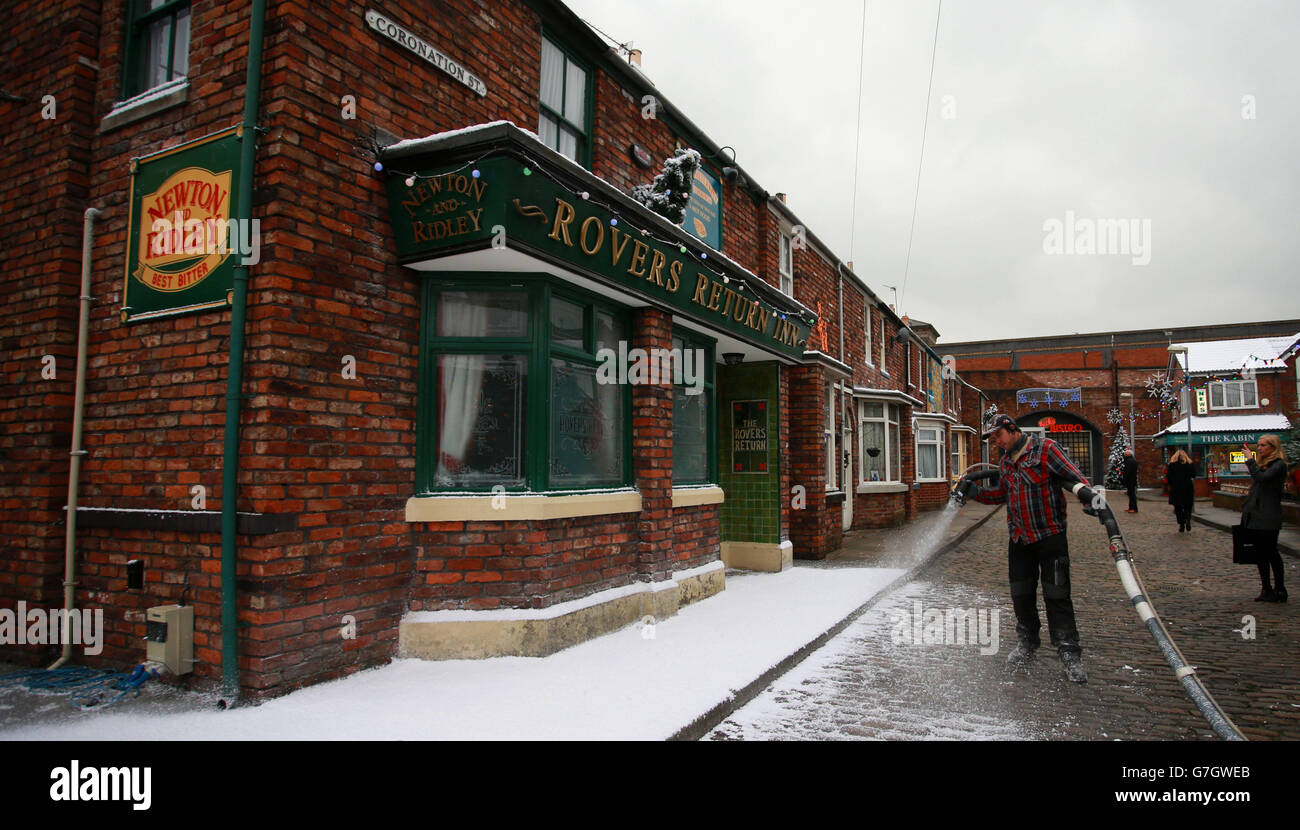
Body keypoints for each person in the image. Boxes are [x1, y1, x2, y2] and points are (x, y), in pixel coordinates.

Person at [968, 414, 1092, 682]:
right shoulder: (1005, 462)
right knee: (1021, 595)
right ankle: (1027, 641)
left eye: (998, 436)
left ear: (1012, 429)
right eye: (993, 439)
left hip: (1050, 537)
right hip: (1019, 539)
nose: (997, 442)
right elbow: (1002, 494)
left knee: (1057, 595)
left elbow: (1075, 477)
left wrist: (1089, 500)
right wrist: (974, 492)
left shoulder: (1045, 450)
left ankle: (1069, 650)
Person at [1241, 435, 1287, 603]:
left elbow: (1261, 478)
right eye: (1258, 445)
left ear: (1273, 447)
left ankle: (1280, 589)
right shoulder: (1264, 464)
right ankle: (1266, 588)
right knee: (1260, 554)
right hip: (1257, 515)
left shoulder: (1278, 465)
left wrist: (1250, 461)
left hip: (1269, 516)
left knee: (1271, 552)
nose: (1259, 448)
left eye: (1263, 445)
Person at [1165, 449, 1196, 532]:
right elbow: (1194, 475)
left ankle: (1181, 524)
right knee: (1188, 506)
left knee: (1178, 507)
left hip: (1176, 488)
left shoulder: (1172, 465)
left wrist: (1172, 483)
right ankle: (1188, 520)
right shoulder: (1189, 464)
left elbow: (1168, 477)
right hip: (1188, 488)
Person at [1122, 449, 1139, 513]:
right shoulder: (1131, 460)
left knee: (1132, 495)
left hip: (1130, 480)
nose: (1124, 455)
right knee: (1131, 494)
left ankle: (1134, 508)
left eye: (1125, 454)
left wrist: (1125, 480)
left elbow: (1128, 472)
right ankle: (1131, 507)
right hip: (1131, 480)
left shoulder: (1129, 461)